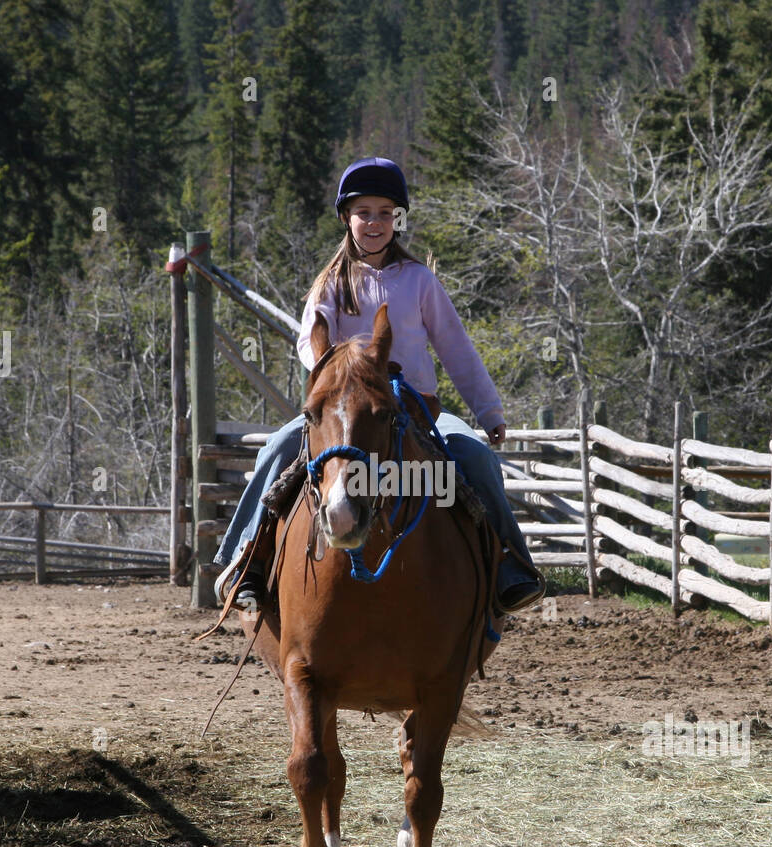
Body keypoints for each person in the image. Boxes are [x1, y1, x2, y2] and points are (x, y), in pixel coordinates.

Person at [214, 157, 546, 613]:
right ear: (346, 218)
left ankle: (511, 563)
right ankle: (245, 563)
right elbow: (310, 338)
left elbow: (456, 349)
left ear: (397, 219)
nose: (374, 222)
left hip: (418, 407)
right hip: (345, 406)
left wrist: (489, 411)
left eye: (385, 212)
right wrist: (334, 369)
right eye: (364, 211)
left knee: (475, 458)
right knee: (276, 449)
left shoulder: (419, 281)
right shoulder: (331, 282)